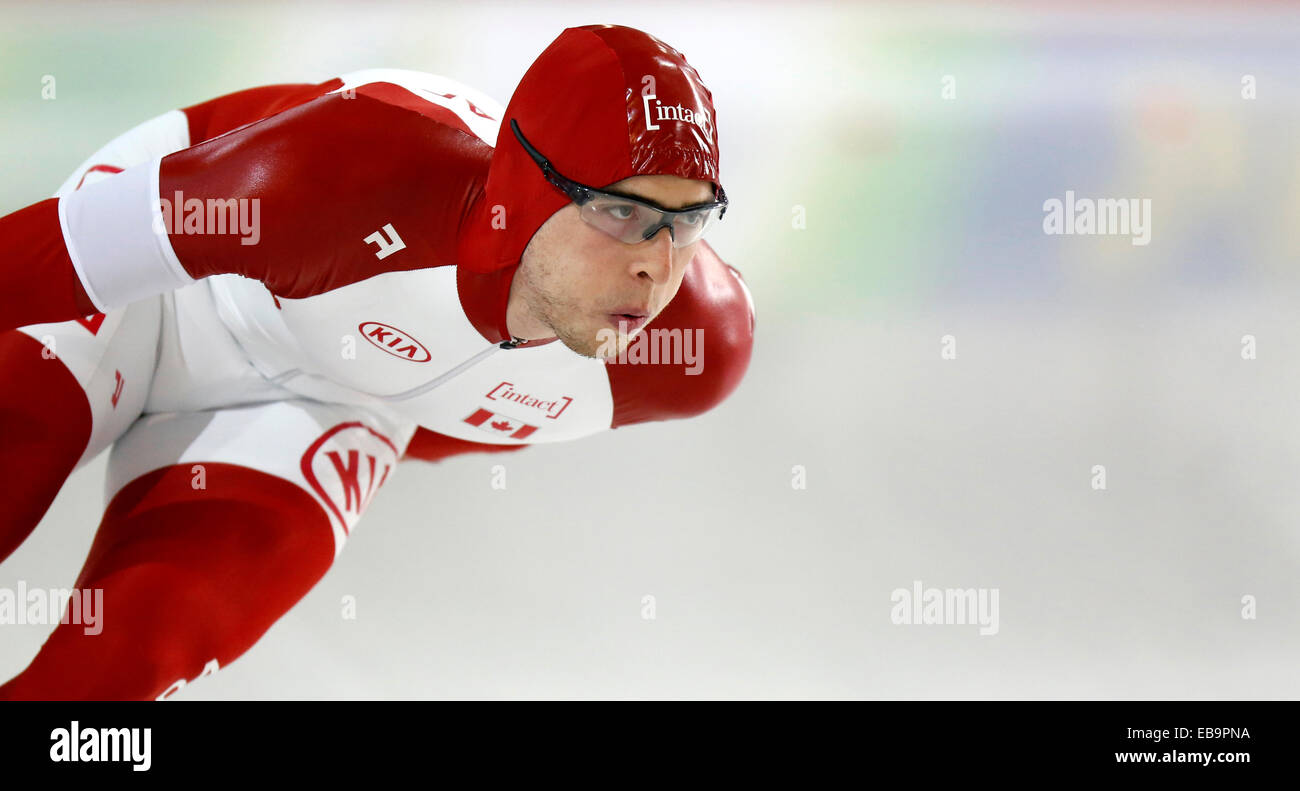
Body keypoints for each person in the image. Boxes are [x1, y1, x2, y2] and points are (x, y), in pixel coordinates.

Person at [0, 24, 755, 699]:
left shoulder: (691, 353)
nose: (660, 266)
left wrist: (377, 419)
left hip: (325, 412)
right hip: (168, 290)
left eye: (691, 221)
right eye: (623, 213)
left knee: (97, 695)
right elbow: (35, 261)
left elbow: (453, 418)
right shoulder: (361, 171)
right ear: (531, 191)